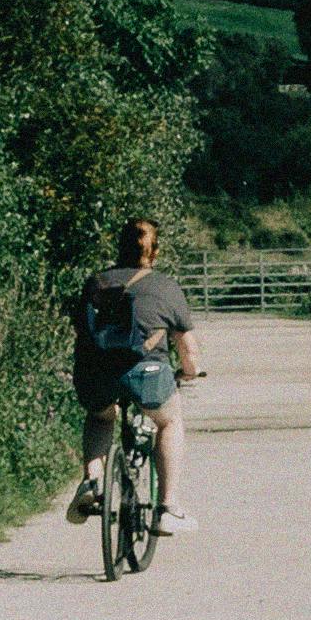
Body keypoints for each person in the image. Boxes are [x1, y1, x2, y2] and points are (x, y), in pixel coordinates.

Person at [67, 213, 202, 534]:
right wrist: (190, 373)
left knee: (101, 416)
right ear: (154, 252)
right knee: (169, 422)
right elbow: (188, 349)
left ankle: (93, 480)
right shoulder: (166, 288)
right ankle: (168, 508)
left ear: (120, 247)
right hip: (147, 375)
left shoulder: (95, 283)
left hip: (96, 374)